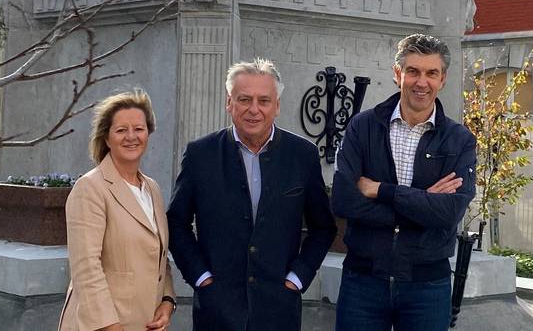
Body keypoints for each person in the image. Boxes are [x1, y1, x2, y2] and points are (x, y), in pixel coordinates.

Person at [167, 59, 337, 331]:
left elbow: (323, 227)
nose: (254, 110)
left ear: (277, 106)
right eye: (244, 99)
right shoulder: (201, 154)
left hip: (278, 310)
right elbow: (176, 223)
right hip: (217, 311)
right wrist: (200, 277)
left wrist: (298, 278)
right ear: (229, 102)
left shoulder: (302, 155)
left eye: (264, 100)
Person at [331, 34, 477, 330]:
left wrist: (381, 190)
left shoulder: (459, 139)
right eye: (413, 71)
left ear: (443, 79)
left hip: (427, 286)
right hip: (363, 281)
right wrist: (422, 201)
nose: (421, 82)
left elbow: (448, 213)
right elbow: (344, 201)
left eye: (431, 73)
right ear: (398, 74)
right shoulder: (363, 127)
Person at [59, 89, 177, 331]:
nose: (131, 137)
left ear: (148, 133)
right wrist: (110, 326)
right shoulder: (90, 188)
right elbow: (85, 268)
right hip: (103, 325)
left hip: (146, 322)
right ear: (106, 138)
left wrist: (167, 301)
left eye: (139, 129)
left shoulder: (151, 188)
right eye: (121, 130)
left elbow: (158, 255)